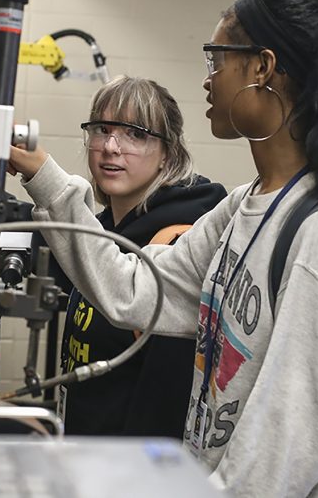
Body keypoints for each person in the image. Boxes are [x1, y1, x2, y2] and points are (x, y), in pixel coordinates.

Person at [10, 0, 318, 497]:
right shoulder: (244, 206)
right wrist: (43, 175)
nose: (207, 79)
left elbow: (277, 464)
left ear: (262, 68)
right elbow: (134, 290)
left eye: (217, 58)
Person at [53, 75, 227, 438]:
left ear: (168, 153)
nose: (111, 147)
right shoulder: (99, 232)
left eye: (135, 134)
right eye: (102, 129)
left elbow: (165, 403)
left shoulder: (178, 241)